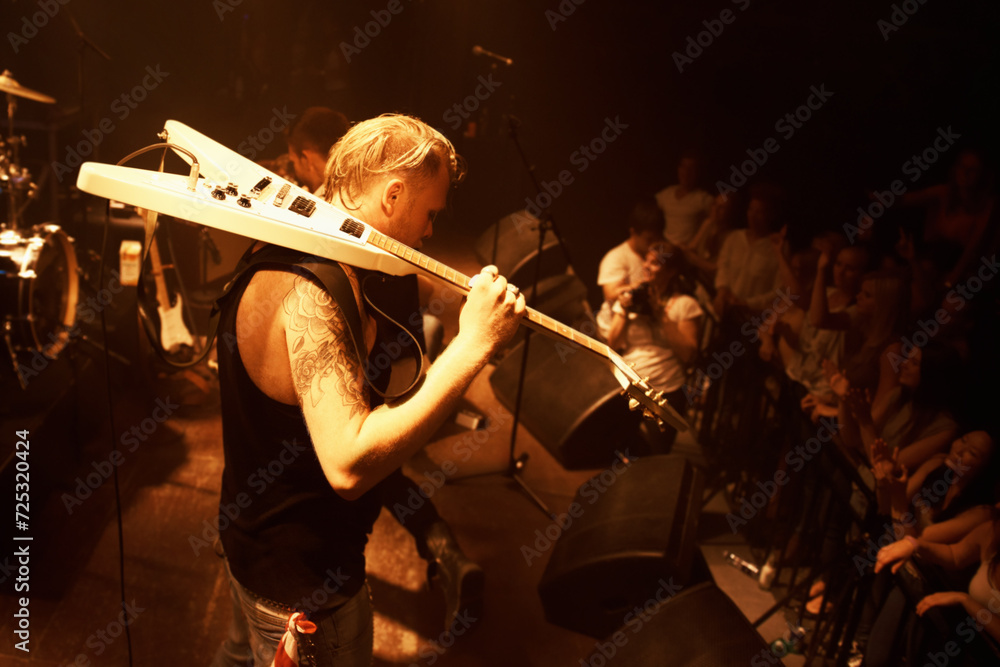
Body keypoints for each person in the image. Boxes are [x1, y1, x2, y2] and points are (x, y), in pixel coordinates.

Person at [213, 113, 525, 666]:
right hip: (304, 589)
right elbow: (350, 462)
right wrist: (473, 345)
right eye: (429, 214)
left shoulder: (284, 238)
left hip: (252, 547)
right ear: (393, 193)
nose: (429, 232)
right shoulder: (317, 288)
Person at [607, 240, 703, 453]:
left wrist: (661, 314)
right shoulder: (632, 295)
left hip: (665, 390)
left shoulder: (685, 305)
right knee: (616, 445)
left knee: (655, 453)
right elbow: (613, 343)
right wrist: (623, 309)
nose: (648, 266)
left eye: (656, 263)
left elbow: (688, 354)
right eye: (647, 261)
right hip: (627, 384)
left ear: (671, 271)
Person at [595, 200, 666, 338]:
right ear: (633, 232)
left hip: (643, 326)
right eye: (648, 239)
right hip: (616, 329)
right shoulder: (615, 257)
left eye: (656, 238)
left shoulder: (657, 252)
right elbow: (611, 293)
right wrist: (639, 286)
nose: (653, 244)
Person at [654, 151, 714, 246]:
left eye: (691, 168)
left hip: (687, 252)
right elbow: (650, 215)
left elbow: (714, 224)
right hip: (666, 248)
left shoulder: (703, 199)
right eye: (683, 167)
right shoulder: (666, 194)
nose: (686, 172)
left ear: (697, 172)